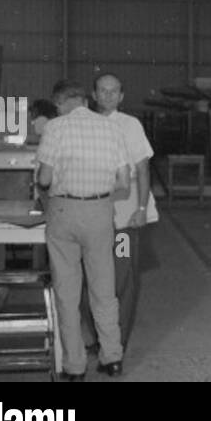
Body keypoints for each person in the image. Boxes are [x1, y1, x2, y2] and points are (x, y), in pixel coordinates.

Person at [36, 79, 129, 380]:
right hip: (101, 212)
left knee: (67, 292)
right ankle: (112, 358)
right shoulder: (113, 128)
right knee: (104, 289)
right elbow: (125, 183)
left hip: (64, 211)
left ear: (61, 103)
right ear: (86, 102)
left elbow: (46, 180)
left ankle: (75, 367)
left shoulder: (56, 127)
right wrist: (98, 193)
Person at [81, 72, 156, 351]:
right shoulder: (85, 125)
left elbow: (143, 169)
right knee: (91, 278)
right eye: (103, 90)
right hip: (91, 213)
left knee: (121, 279)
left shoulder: (130, 125)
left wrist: (141, 208)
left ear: (121, 96)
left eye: (114, 91)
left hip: (124, 215)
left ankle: (117, 343)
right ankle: (101, 337)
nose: (109, 96)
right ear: (94, 94)